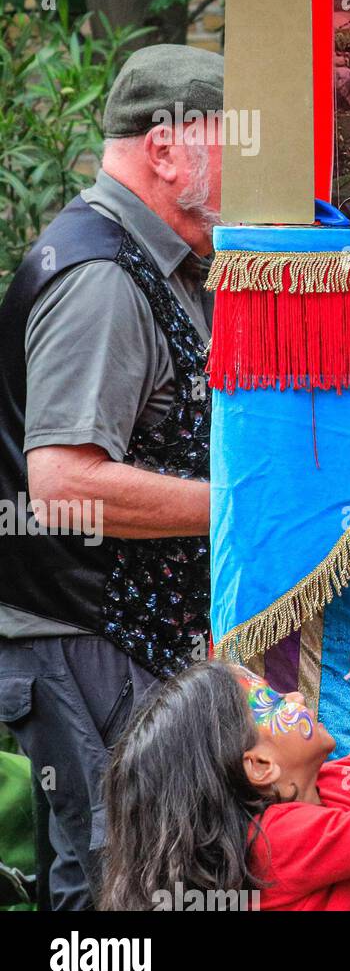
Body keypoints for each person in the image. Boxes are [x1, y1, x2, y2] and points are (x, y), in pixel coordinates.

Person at [0, 45, 225, 909]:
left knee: (134, 872)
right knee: (111, 880)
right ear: (166, 150)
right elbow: (61, 485)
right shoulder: (99, 276)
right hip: (81, 634)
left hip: (107, 633)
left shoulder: (152, 256)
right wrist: (238, 508)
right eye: (231, 141)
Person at [99, 660, 350, 910]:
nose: (298, 697)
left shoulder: (333, 784)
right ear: (260, 766)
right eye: (274, 702)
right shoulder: (277, 842)